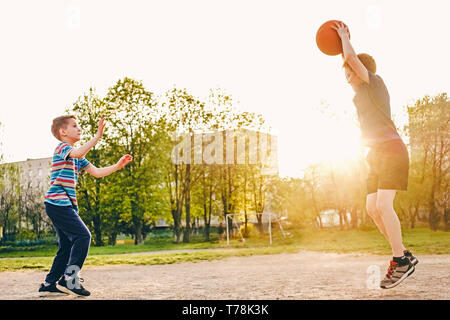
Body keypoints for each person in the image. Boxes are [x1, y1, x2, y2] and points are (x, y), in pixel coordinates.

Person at [332, 22, 418, 289]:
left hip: (391, 149)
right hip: (375, 155)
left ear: (361, 70)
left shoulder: (375, 83)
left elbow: (350, 58)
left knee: (383, 205)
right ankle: (402, 254)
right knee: (372, 208)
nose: (347, 77)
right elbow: (349, 63)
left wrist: (344, 39)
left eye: (350, 72)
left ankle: (398, 261)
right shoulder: (358, 96)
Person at [39, 115, 132, 296]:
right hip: (57, 202)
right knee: (83, 236)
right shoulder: (62, 148)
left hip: (60, 205)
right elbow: (78, 153)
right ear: (63, 132)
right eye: (75, 126)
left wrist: (117, 165)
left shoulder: (77, 157)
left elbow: (96, 172)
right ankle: (69, 279)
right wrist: (97, 136)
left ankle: (49, 283)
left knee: (66, 246)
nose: (79, 129)